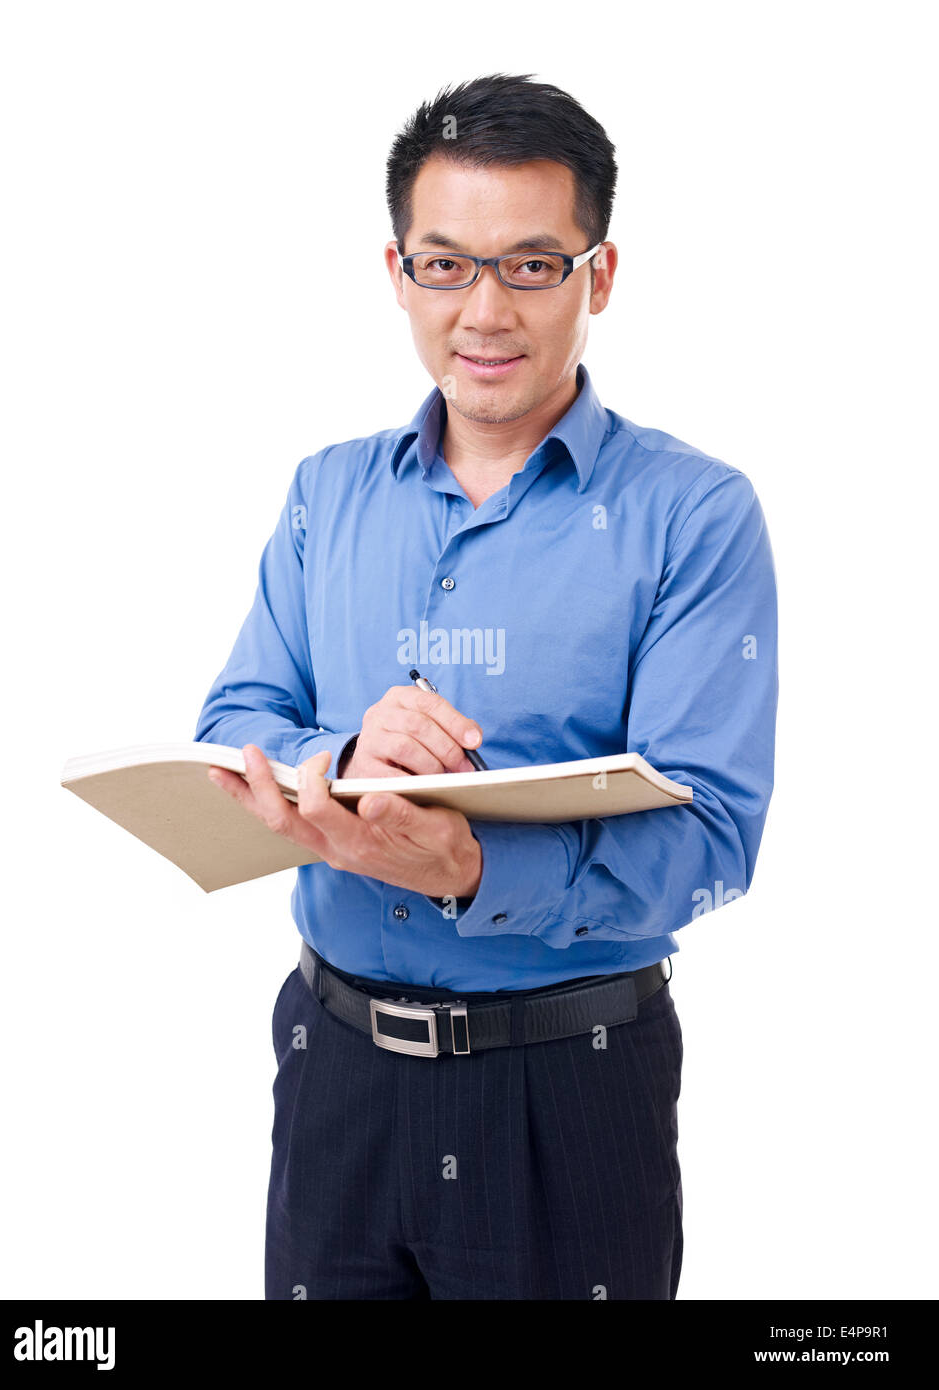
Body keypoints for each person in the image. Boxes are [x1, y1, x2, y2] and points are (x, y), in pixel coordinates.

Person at [194, 72, 778, 1301]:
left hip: (568, 1085)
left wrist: (471, 868)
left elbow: (715, 838)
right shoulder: (325, 493)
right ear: (398, 272)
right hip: (334, 1070)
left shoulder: (694, 516)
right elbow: (236, 724)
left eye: (532, 264)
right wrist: (344, 755)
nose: (485, 310)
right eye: (447, 265)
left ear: (598, 277)